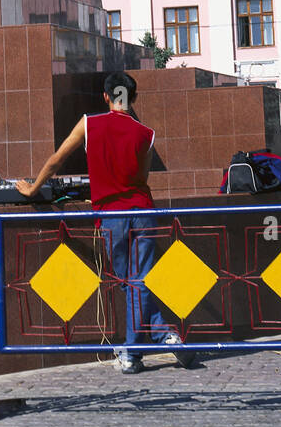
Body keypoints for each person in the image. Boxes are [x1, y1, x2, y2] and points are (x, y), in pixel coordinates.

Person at [16, 71, 193, 373]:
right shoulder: (145, 134)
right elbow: (141, 178)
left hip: (112, 215)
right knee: (139, 282)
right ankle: (166, 336)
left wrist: (33, 189)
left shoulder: (89, 124)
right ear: (133, 99)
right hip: (143, 211)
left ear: (106, 96)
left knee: (131, 282)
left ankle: (133, 355)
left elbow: (57, 159)